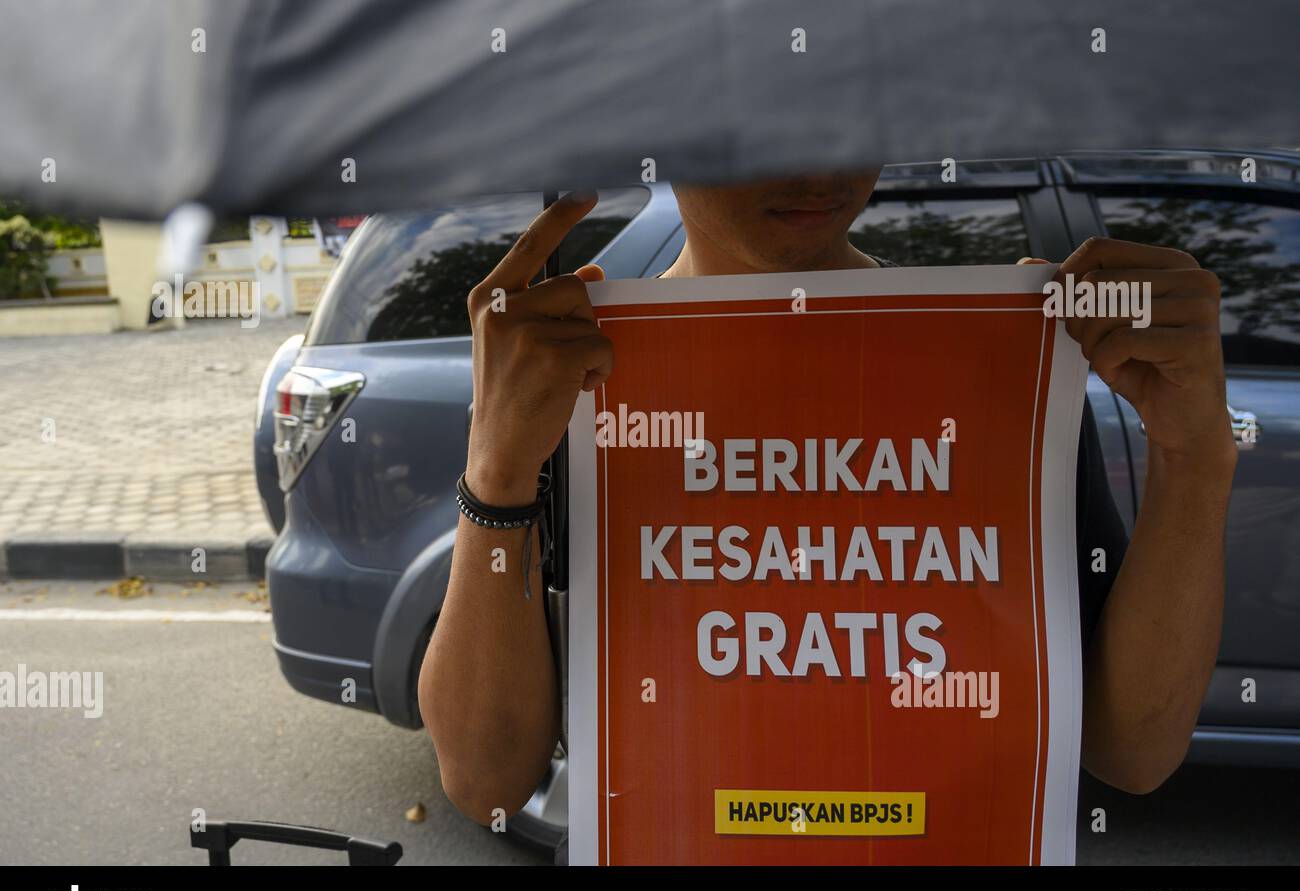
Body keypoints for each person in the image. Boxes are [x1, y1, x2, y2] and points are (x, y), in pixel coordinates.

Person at [418, 172, 1236, 834]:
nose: (813, 167)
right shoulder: (573, 381)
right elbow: (486, 778)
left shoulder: (998, 363)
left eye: (845, 112)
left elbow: (1134, 750)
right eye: (757, 128)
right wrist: (496, 472)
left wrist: (1194, 457)